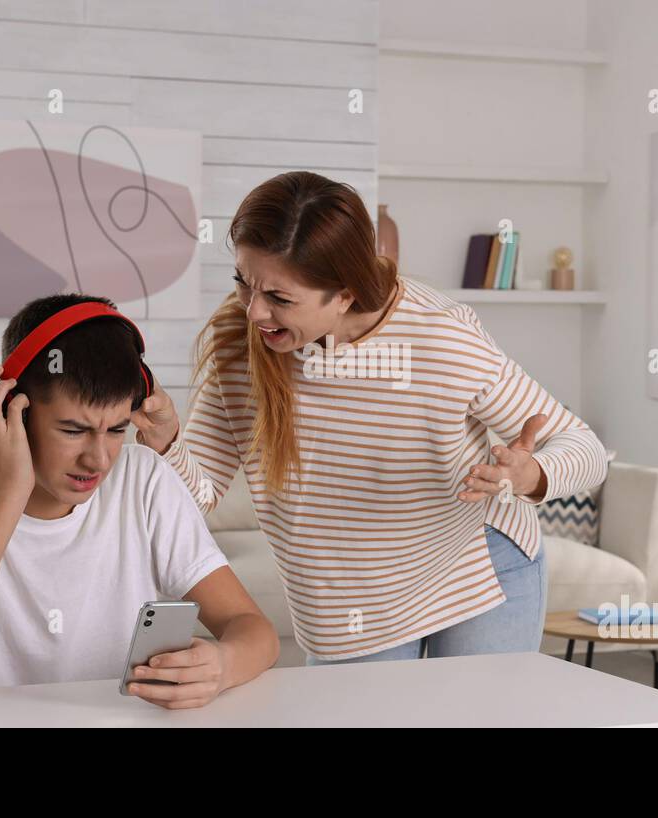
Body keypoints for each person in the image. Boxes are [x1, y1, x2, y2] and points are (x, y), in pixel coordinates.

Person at [132, 171, 608, 664]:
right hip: (345, 606)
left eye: (279, 298)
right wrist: (167, 443)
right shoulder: (239, 347)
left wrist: (531, 475)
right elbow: (200, 495)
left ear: (345, 294)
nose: (254, 312)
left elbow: (584, 447)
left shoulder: (441, 337)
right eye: (244, 284)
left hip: (477, 568)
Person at [0, 294, 278, 707]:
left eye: (116, 430)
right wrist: (7, 492)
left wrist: (221, 665)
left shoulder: (143, 479)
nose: (98, 459)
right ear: (11, 411)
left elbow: (253, 630)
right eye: (72, 430)